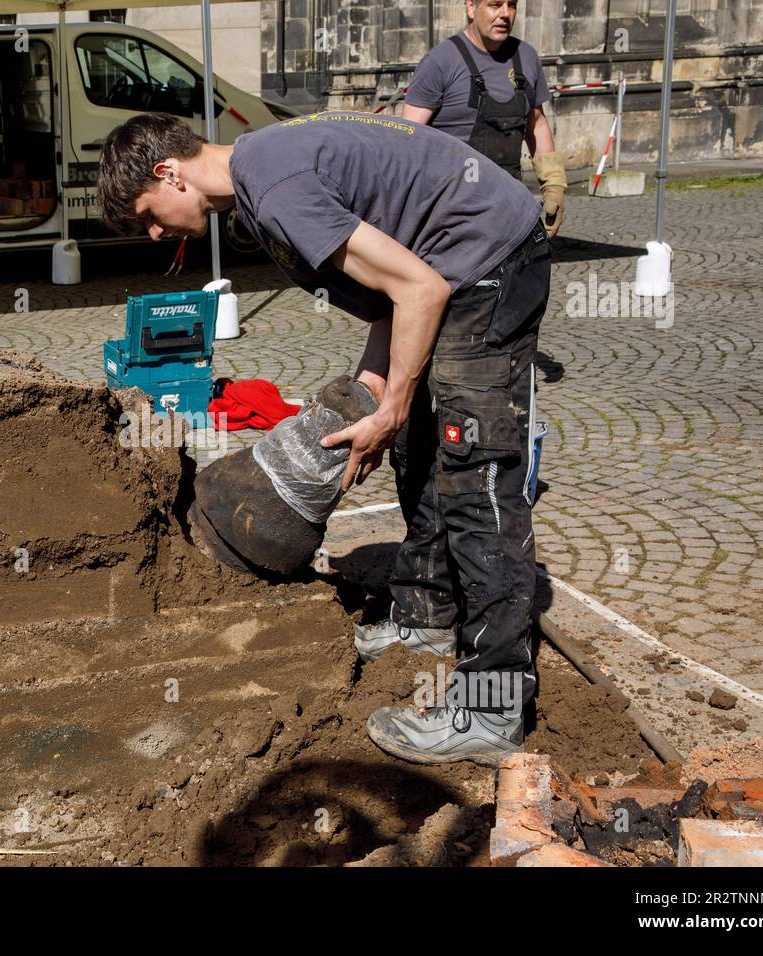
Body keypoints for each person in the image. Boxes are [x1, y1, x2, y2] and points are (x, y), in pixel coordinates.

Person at [98, 111, 551, 765]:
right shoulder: (259, 188)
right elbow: (393, 293)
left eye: (148, 214)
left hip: (487, 261)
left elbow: (418, 288)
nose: (155, 232)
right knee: (421, 454)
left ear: (168, 172)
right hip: (454, 263)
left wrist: (390, 407)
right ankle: (424, 623)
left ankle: (490, 709)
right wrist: (369, 398)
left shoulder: (275, 189)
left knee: (475, 471)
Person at [403, 0, 566, 237]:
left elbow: (537, 122)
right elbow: (407, 138)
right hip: (452, 214)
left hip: (510, 206)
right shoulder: (441, 62)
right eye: (495, 5)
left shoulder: (527, 57)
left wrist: (553, 183)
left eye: (511, 5)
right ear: (471, 7)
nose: (505, 14)